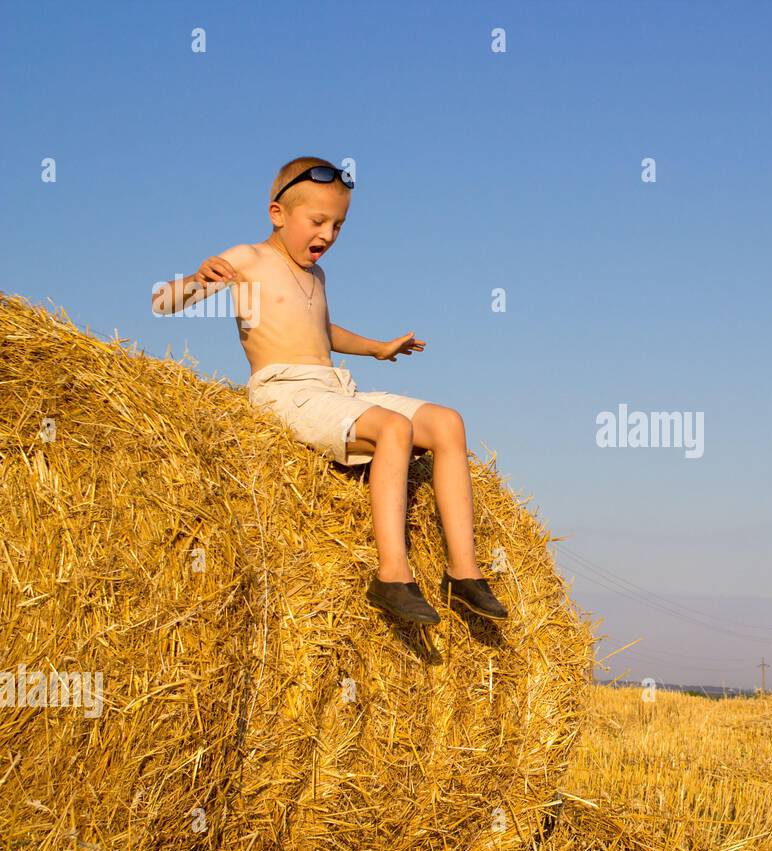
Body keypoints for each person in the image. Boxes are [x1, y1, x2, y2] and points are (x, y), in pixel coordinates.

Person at [151, 155, 507, 627]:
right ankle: (392, 574)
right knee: (394, 428)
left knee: (447, 422)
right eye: (317, 221)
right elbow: (163, 303)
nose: (328, 235)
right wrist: (199, 280)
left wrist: (378, 348)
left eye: (338, 225)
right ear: (277, 213)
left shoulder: (316, 276)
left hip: (335, 388)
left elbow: (321, 331)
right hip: (284, 390)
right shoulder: (249, 260)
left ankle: (463, 573)